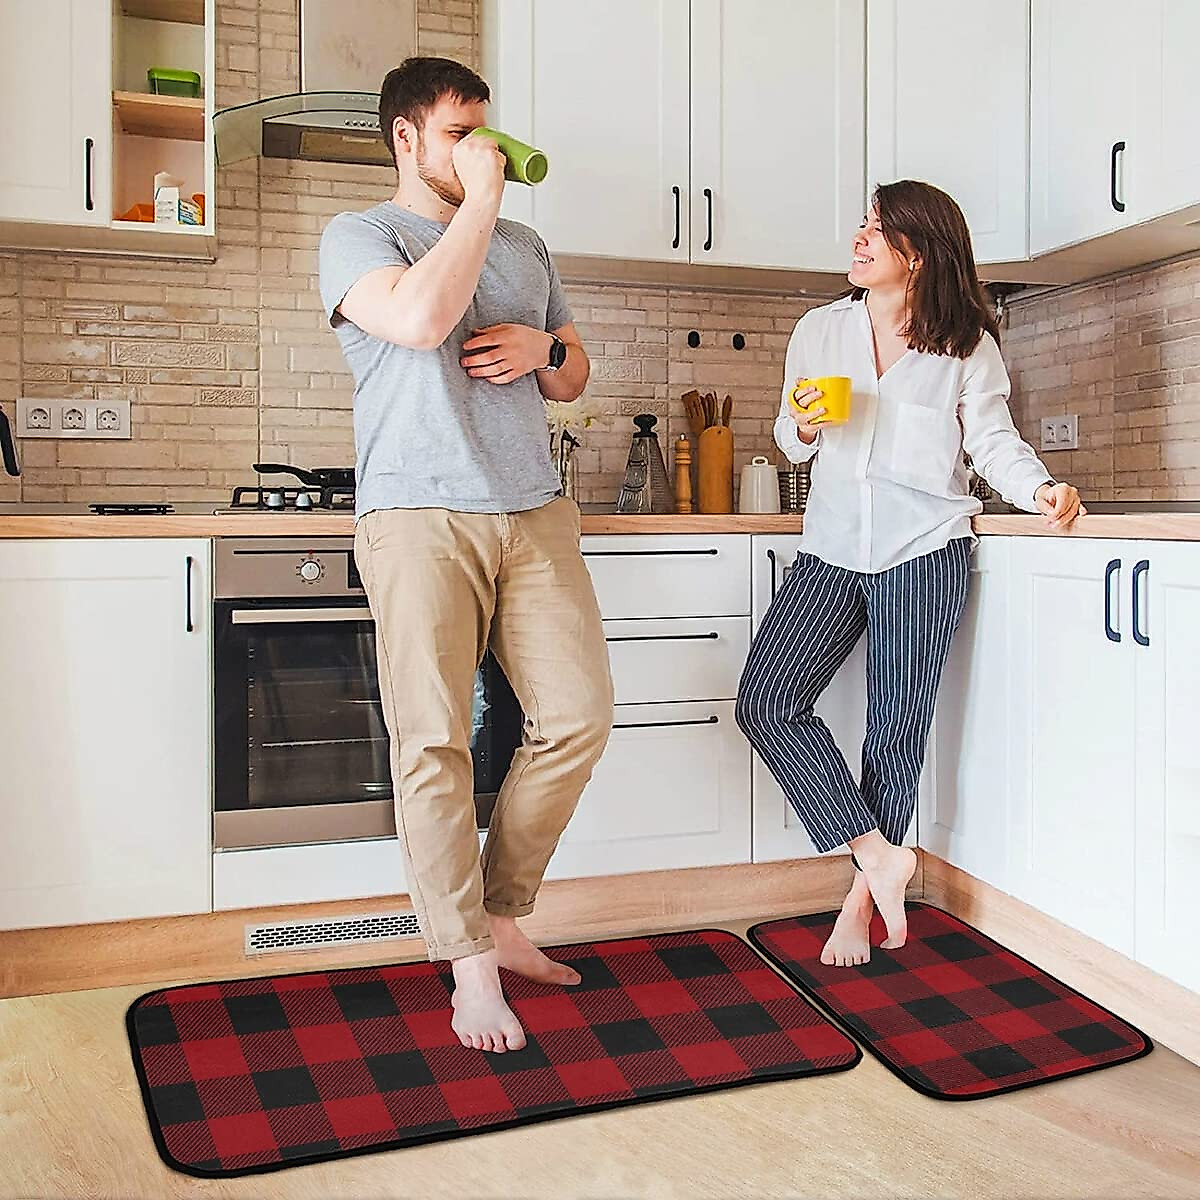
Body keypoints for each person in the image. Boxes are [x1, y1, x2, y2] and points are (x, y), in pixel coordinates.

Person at [318, 57, 613, 1054]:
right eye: (458, 134)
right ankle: (469, 968)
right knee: (435, 742)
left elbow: (574, 373)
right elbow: (420, 319)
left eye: (486, 131)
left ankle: (500, 911)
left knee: (576, 718)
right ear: (407, 137)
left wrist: (545, 352)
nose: (479, 148)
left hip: (533, 511)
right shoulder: (362, 236)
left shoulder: (528, 244)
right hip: (417, 516)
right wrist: (478, 203)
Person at [736, 180, 1085, 968]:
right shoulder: (819, 330)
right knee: (766, 701)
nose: (858, 239)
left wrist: (1040, 491)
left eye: (875, 229)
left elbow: (991, 441)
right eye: (860, 225)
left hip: (924, 549)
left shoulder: (966, 347)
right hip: (830, 549)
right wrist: (801, 422)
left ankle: (861, 903)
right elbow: (791, 441)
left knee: (895, 731)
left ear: (918, 251)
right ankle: (878, 851)